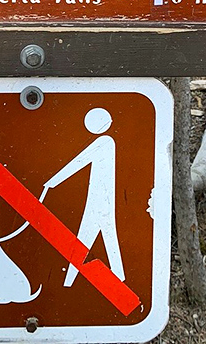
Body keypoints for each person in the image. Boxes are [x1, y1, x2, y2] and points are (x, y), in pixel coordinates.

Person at [42, 107, 125, 286]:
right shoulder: (105, 141)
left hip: (100, 200)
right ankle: (119, 276)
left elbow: (79, 162)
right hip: (99, 199)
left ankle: (69, 282)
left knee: (86, 239)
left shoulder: (104, 141)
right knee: (104, 236)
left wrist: (53, 182)